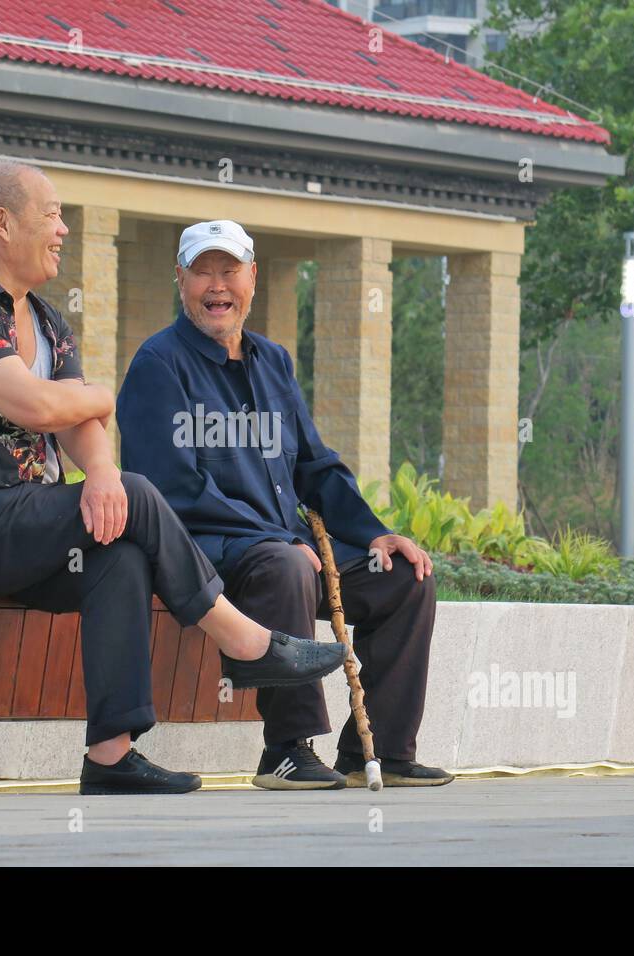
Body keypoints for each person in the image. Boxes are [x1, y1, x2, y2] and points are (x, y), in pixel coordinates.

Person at [0, 164, 347, 795]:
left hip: (18, 519)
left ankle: (110, 756)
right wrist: (96, 396)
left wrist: (99, 470)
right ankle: (246, 641)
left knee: (118, 543)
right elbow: (38, 408)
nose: (64, 228)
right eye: (52, 214)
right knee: (142, 494)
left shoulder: (43, 319)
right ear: (3, 223)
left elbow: (81, 421)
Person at [116, 220, 453, 791]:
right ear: (181, 280)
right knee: (287, 562)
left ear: (253, 278)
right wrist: (281, 539)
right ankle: (287, 750)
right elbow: (172, 490)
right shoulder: (159, 365)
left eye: (229, 271)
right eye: (203, 271)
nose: (217, 285)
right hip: (208, 555)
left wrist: (375, 534)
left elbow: (314, 468)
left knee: (404, 578)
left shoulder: (273, 361)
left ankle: (381, 750)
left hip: (284, 551)